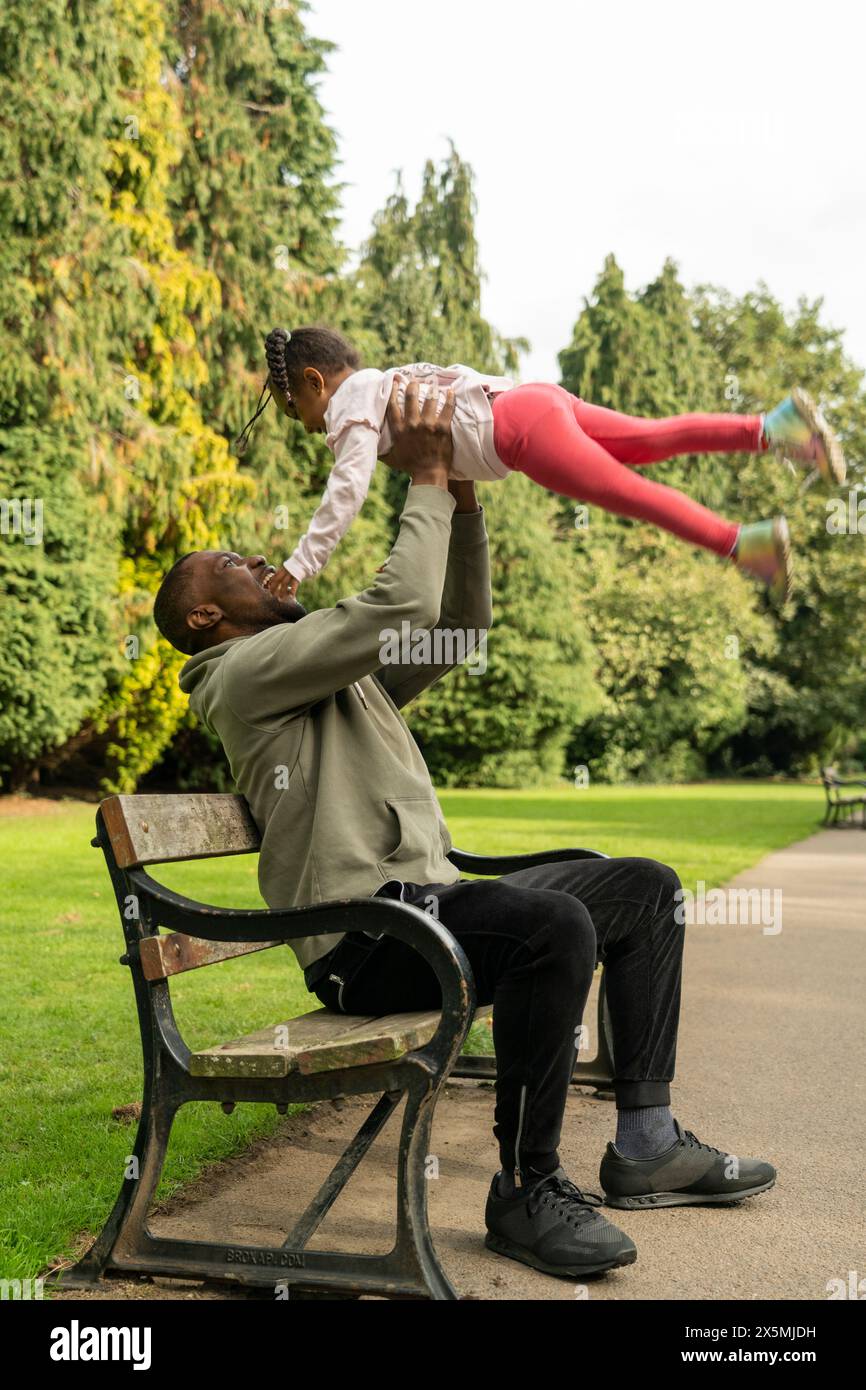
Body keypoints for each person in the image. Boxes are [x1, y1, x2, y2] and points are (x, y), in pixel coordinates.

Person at [155, 380, 776, 1283]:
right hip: (366, 943)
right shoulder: (247, 672)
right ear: (206, 616)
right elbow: (399, 605)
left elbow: (452, 633)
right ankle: (526, 1190)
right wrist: (430, 476)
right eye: (237, 566)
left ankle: (644, 1145)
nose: (264, 561)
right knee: (553, 926)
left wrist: (468, 504)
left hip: (426, 906)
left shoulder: (327, 671)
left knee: (643, 889)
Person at [235, 324, 847, 607]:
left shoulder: (350, 409)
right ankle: (775, 429)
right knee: (649, 439)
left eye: (299, 414)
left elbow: (348, 490)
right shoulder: (380, 385)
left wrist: (300, 563)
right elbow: (442, 473)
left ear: (316, 384)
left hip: (520, 433)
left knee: (631, 492)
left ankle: (745, 544)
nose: (312, 429)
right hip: (530, 400)